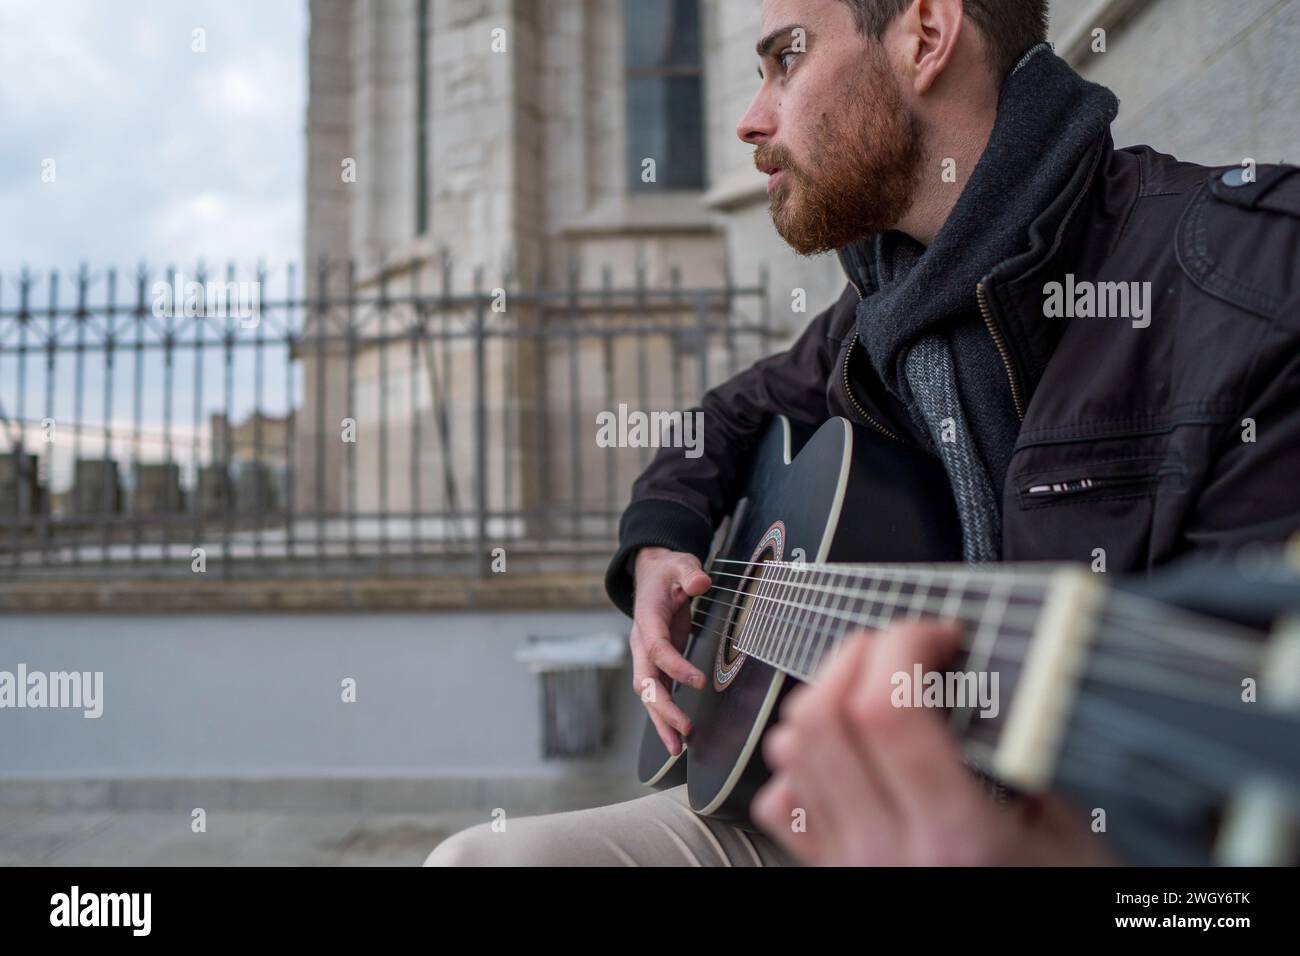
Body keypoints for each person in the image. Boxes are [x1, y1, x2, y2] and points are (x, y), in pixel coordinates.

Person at [426, 0, 1300, 866]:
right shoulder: (880, 311)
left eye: (786, 61)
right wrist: (660, 540)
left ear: (924, 35)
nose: (749, 118)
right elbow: (724, 417)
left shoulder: (1249, 281)